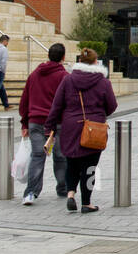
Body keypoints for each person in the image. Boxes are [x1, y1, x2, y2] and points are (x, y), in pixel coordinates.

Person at [45, 47, 117, 214]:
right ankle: (87, 202)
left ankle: (70, 194)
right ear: (95, 62)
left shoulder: (68, 80)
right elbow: (112, 105)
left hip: (70, 127)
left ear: (79, 62)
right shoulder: (103, 82)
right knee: (90, 167)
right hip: (94, 128)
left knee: (72, 163)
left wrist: (49, 127)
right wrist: (99, 113)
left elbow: (56, 106)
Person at [18, 42, 69, 204]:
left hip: (36, 121)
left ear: (48, 56)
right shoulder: (64, 76)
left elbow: (24, 101)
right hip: (58, 123)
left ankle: (31, 193)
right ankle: (63, 188)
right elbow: (67, 102)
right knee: (60, 157)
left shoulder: (34, 75)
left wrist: (25, 123)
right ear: (63, 57)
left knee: (37, 156)